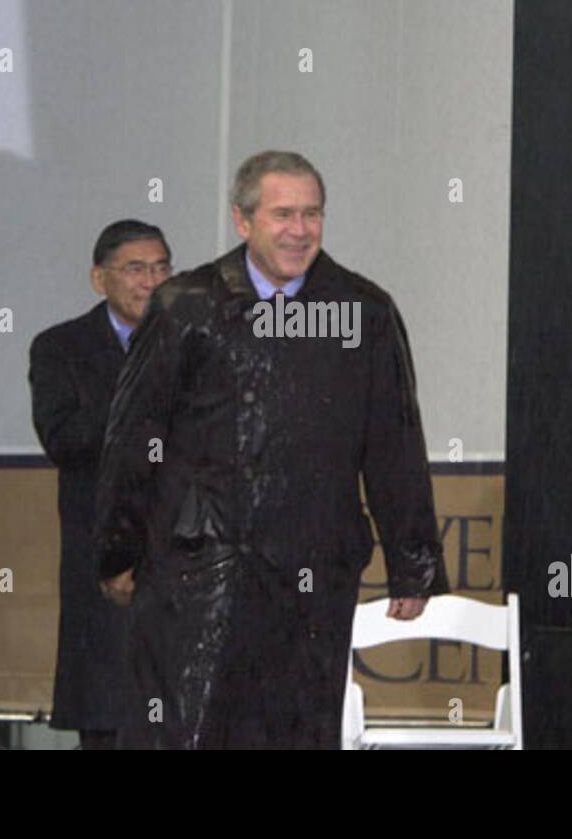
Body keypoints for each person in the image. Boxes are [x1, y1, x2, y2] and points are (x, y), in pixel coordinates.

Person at [94, 150, 449, 749]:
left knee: (298, 733)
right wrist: (117, 550)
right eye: (283, 213)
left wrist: (412, 562)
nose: (299, 230)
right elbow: (136, 437)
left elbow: (394, 441)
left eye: (312, 214)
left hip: (312, 574)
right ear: (243, 220)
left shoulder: (363, 313)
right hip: (199, 572)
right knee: (187, 734)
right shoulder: (187, 306)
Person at [28, 219, 172, 749]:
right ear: (99, 279)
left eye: (161, 268)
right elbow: (63, 441)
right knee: (110, 723)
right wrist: (137, 392)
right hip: (108, 566)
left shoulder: (196, 345)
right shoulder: (61, 348)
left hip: (188, 563)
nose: (150, 282)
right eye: (135, 269)